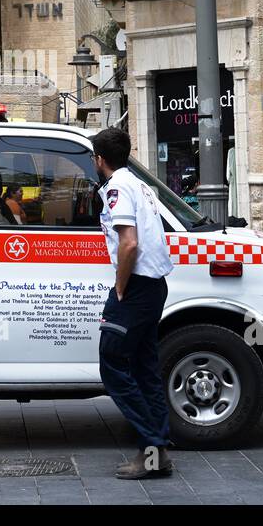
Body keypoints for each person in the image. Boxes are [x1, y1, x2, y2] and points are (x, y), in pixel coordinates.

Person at [91, 127, 174, 479]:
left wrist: (120, 288)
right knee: (144, 368)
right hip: (154, 286)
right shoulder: (137, 183)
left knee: (111, 361)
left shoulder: (117, 188)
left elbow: (129, 243)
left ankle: (152, 444)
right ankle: (158, 454)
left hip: (136, 288)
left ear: (99, 159)